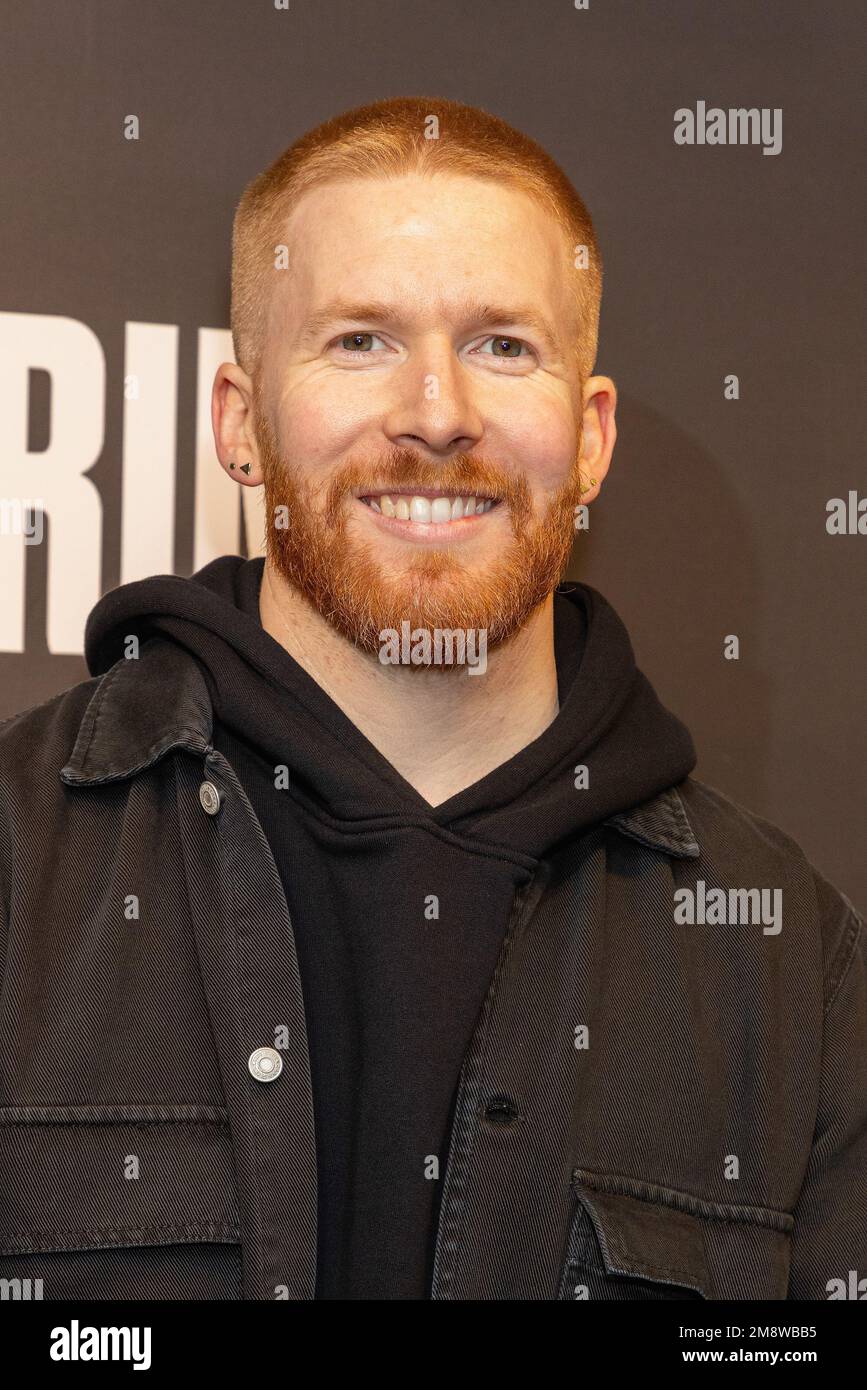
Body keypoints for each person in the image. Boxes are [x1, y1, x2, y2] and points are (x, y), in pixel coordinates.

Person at [0, 96, 863, 1302]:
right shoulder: (17, 857)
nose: (439, 412)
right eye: (360, 340)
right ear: (239, 425)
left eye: (503, 345)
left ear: (593, 435)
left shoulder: (787, 962)